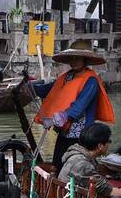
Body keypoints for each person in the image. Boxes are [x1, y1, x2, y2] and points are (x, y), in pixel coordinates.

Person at [33, 39, 115, 169]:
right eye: (72, 58)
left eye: (77, 58)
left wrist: (55, 120)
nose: (74, 61)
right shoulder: (66, 76)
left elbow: (78, 108)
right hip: (65, 131)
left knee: (77, 166)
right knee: (58, 164)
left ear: (85, 60)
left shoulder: (91, 80)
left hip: (81, 133)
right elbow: (48, 90)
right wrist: (28, 86)